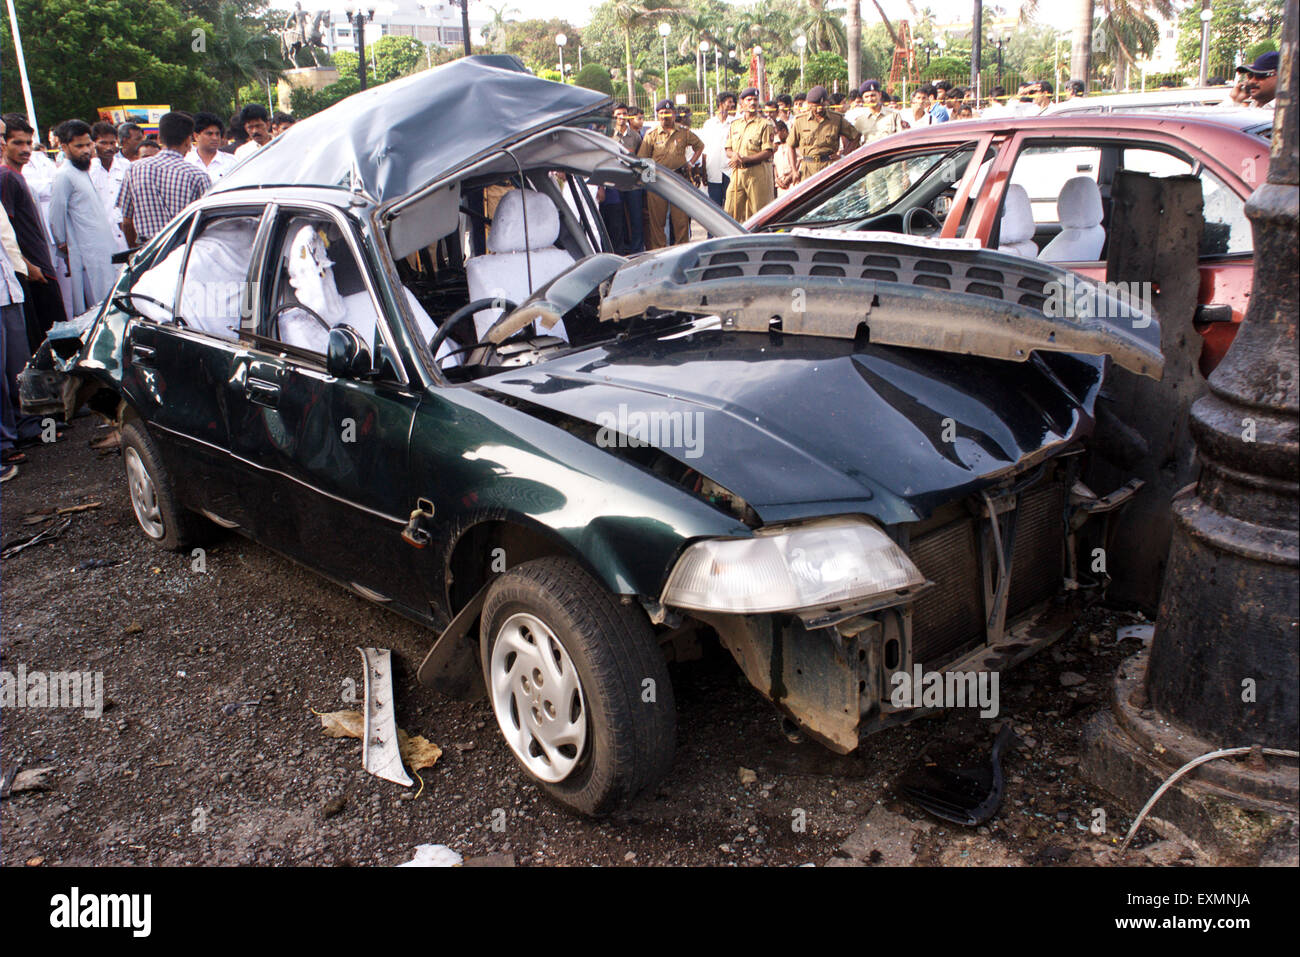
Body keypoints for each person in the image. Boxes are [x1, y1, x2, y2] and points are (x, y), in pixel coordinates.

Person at [1, 115, 67, 351]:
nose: (25, 149)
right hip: (33, 272)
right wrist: (28, 266)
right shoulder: (6, 177)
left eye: (28, 143)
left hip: (41, 265)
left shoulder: (18, 177)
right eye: (17, 143)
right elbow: (6, 233)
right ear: (4, 144)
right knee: (49, 343)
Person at [47, 120, 117, 315]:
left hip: (101, 249)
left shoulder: (82, 171)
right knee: (96, 308)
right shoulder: (64, 175)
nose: (86, 150)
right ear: (63, 146)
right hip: (86, 253)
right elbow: (56, 215)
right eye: (79, 146)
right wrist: (64, 245)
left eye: (88, 144)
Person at [117, 111, 211, 247]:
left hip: (146, 250)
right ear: (188, 141)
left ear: (160, 139)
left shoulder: (134, 169)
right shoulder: (198, 176)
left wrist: (134, 251)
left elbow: (126, 221)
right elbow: (206, 224)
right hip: (182, 251)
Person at [637, 100, 705, 248]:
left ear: (674, 114)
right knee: (657, 222)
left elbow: (699, 146)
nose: (664, 116)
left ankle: (682, 251)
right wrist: (649, 184)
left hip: (678, 180)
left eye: (667, 113)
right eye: (661, 113)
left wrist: (691, 163)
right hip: (658, 182)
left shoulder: (683, 131)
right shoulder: (651, 135)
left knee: (680, 221)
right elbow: (643, 158)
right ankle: (659, 253)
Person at [790, 85, 859, 182]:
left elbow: (855, 136)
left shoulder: (837, 119)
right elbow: (790, 145)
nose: (819, 109)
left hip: (830, 167)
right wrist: (794, 170)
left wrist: (844, 156)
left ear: (827, 102)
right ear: (809, 104)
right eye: (816, 106)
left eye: (822, 105)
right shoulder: (800, 121)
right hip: (808, 170)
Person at [724, 87, 775, 220]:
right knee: (730, 212)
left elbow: (768, 152)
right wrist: (733, 155)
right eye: (749, 99)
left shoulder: (765, 124)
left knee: (759, 215)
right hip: (738, 173)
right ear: (742, 103)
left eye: (755, 100)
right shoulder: (735, 125)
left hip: (757, 174)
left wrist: (745, 159)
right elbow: (727, 149)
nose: (753, 102)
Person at [88, 121, 130, 251]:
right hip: (100, 234)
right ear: (93, 144)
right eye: (103, 143)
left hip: (124, 232)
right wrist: (94, 160)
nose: (109, 148)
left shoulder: (125, 166)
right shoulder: (88, 169)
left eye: (112, 143)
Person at [700, 91, 736, 209]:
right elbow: (705, 150)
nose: (732, 105)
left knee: (731, 207)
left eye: (733, 102)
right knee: (715, 208)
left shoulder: (735, 123)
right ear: (721, 104)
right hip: (713, 171)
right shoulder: (709, 124)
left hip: (730, 170)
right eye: (729, 102)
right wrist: (704, 172)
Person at [186, 112, 237, 184]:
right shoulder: (187, 161)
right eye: (209, 134)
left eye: (217, 134)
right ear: (196, 136)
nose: (215, 138)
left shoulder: (231, 162)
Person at [773, 120, 796, 196]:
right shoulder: (776, 147)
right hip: (780, 185)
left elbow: (799, 162)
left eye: (777, 133)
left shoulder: (793, 144)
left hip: (792, 183)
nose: (776, 136)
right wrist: (776, 179)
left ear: (784, 131)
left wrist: (789, 177)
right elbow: (774, 165)